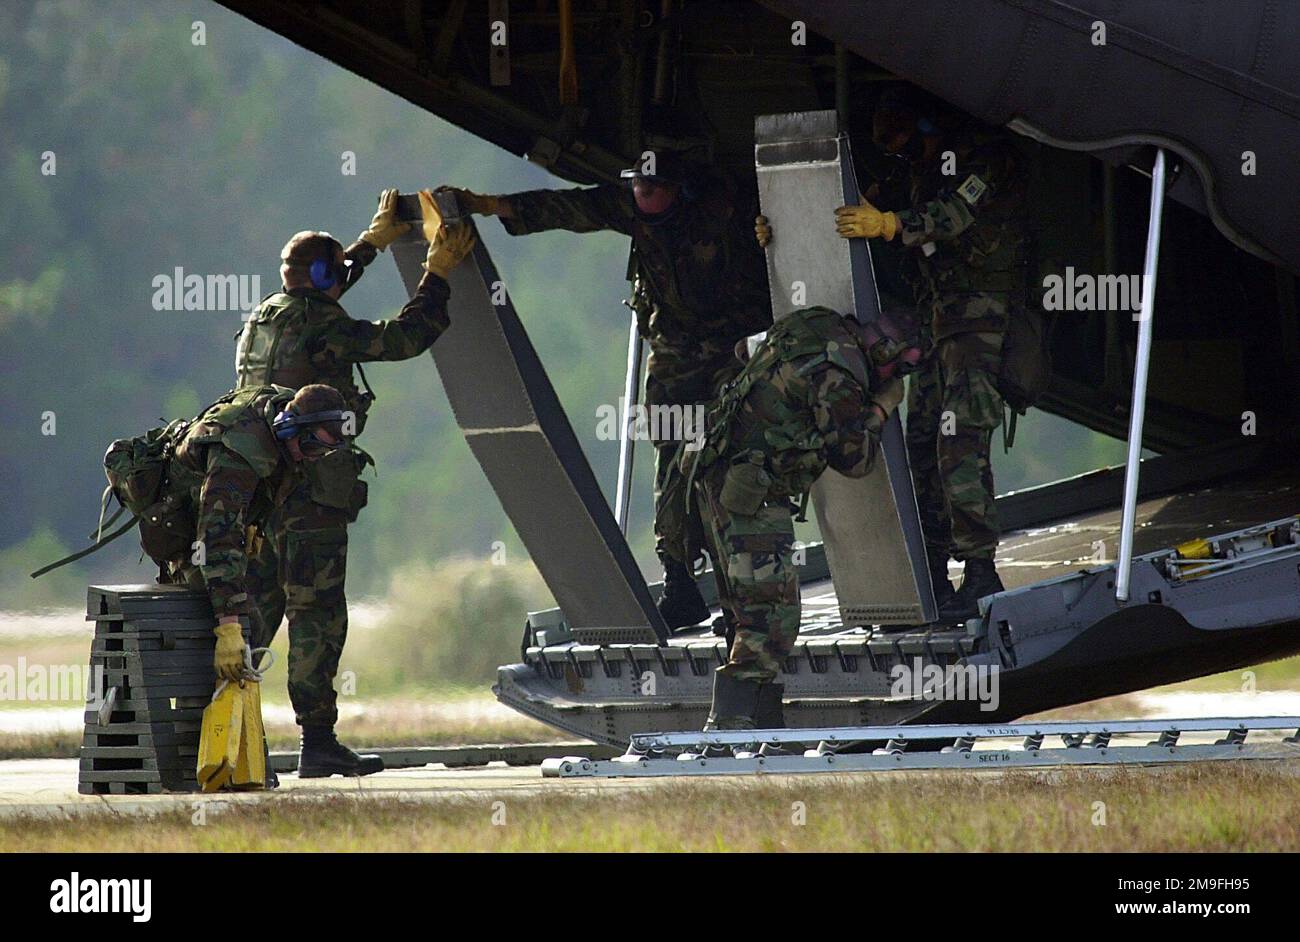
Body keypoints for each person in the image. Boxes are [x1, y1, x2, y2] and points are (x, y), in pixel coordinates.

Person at [441, 152, 772, 630]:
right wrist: (489, 205)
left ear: (678, 189)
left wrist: (769, 232)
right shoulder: (632, 209)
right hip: (675, 355)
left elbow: (784, 223)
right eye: (637, 187)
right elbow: (569, 208)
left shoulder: (723, 210)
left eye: (651, 189)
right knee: (671, 466)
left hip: (732, 350)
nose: (642, 196)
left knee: (720, 465)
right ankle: (680, 582)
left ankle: (737, 599)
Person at [234, 190, 475, 777]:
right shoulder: (324, 325)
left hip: (257, 492)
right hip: (309, 492)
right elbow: (406, 336)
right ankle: (317, 742)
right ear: (324, 276)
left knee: (254, 613)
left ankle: (229, 734)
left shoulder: (262, 318)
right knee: (315, 614)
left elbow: (325, 287)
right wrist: (437, 273)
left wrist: (372, 242)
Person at [832, 87, 1032, 621]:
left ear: (926, 126)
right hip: (938, 321)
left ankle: (981, 572)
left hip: (979, 321)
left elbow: (954, 214)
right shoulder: (916, 169)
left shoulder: (984, 158)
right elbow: (864, 205)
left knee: (960, 442)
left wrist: (892, 224)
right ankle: (934, 569)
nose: (899, 154)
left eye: (902, 140)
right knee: (922, 443)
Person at [681, 306, 904, 730]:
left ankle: (762, 721)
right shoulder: (838, 375)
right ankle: (728, 724)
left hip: (714, 470)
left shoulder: (809, 326)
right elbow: (855, 460)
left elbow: (743, 349)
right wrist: (882, 406)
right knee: (772, 616)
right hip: (750, 490)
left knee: (746, 610)